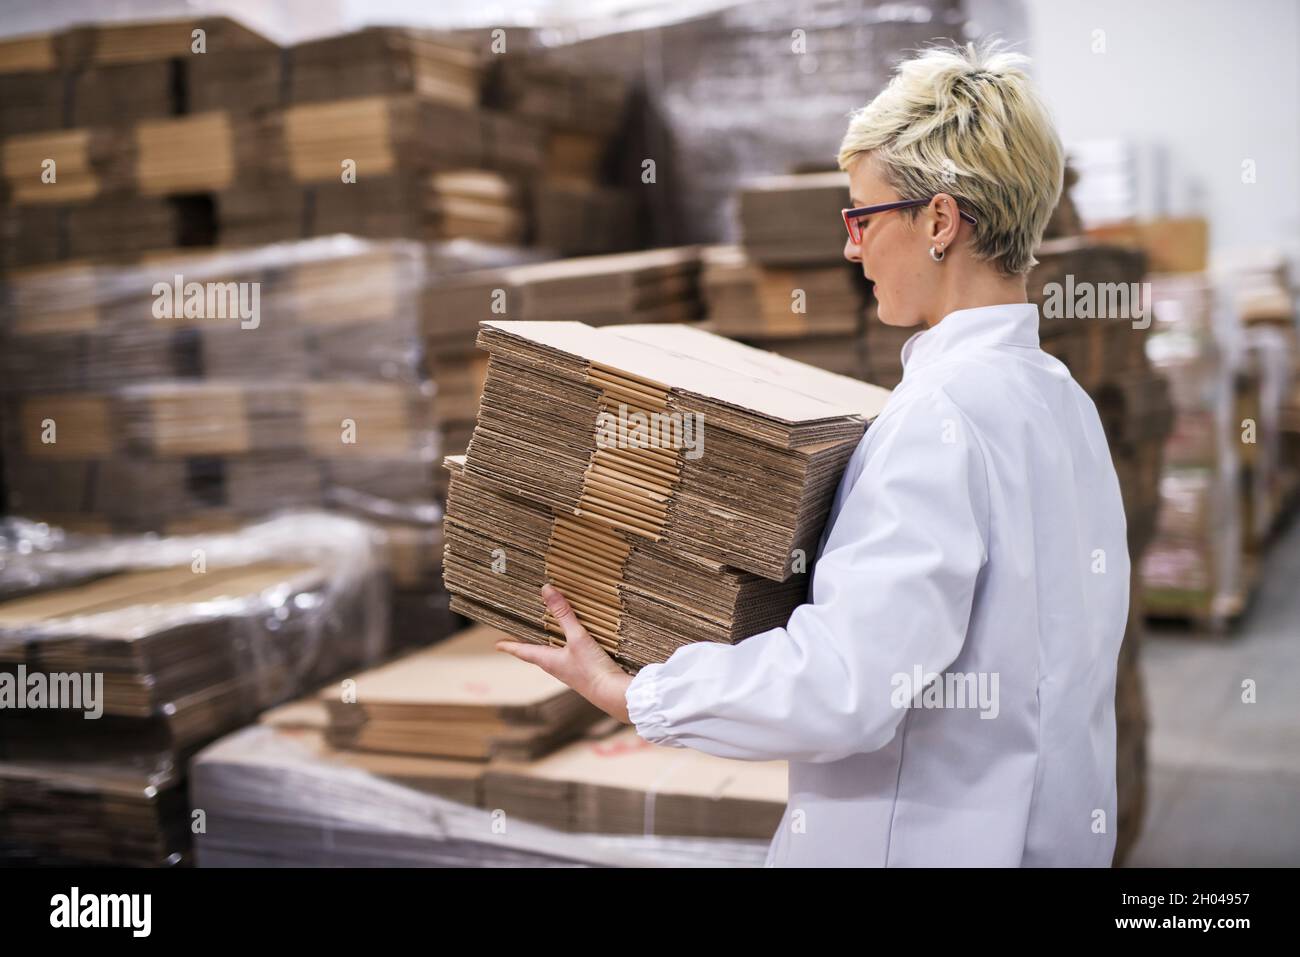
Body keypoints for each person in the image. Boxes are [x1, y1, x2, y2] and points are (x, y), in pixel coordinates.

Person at [496, 39, 1129, 867]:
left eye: (861, 217)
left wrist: (635, 693)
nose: (850, 249)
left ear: (938, 221)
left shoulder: (939, 420)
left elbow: (846, 688)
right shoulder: (1063, 404)